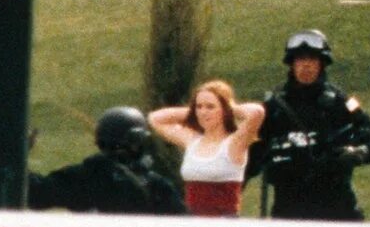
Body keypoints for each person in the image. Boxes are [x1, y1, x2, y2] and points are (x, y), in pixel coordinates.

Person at [248, 30, 370, 221]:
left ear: (322, 64)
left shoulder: (342, 102)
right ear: (292, 64)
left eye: (312, 60)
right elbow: (252, 155)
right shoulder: (274, 106)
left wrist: (357, 152)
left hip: (336, 205)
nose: (306, 65)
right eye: (300, 60)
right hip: (289, 206)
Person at [28, 107, 186, 215]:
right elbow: (184, 226)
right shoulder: (155, 186)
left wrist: (19, 153)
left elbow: (36, 195)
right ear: (137, 140)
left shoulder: (82, 177)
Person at [148, 80, 266, 217]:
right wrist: (194, 111)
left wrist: (229, 108)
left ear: (224, 110)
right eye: (199, 107)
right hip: (194, 223)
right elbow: (155, 118)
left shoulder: (234, 143)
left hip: (223, 224)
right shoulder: (192, 140)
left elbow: (257, 112)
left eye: (210, 107)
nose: (203, 112)